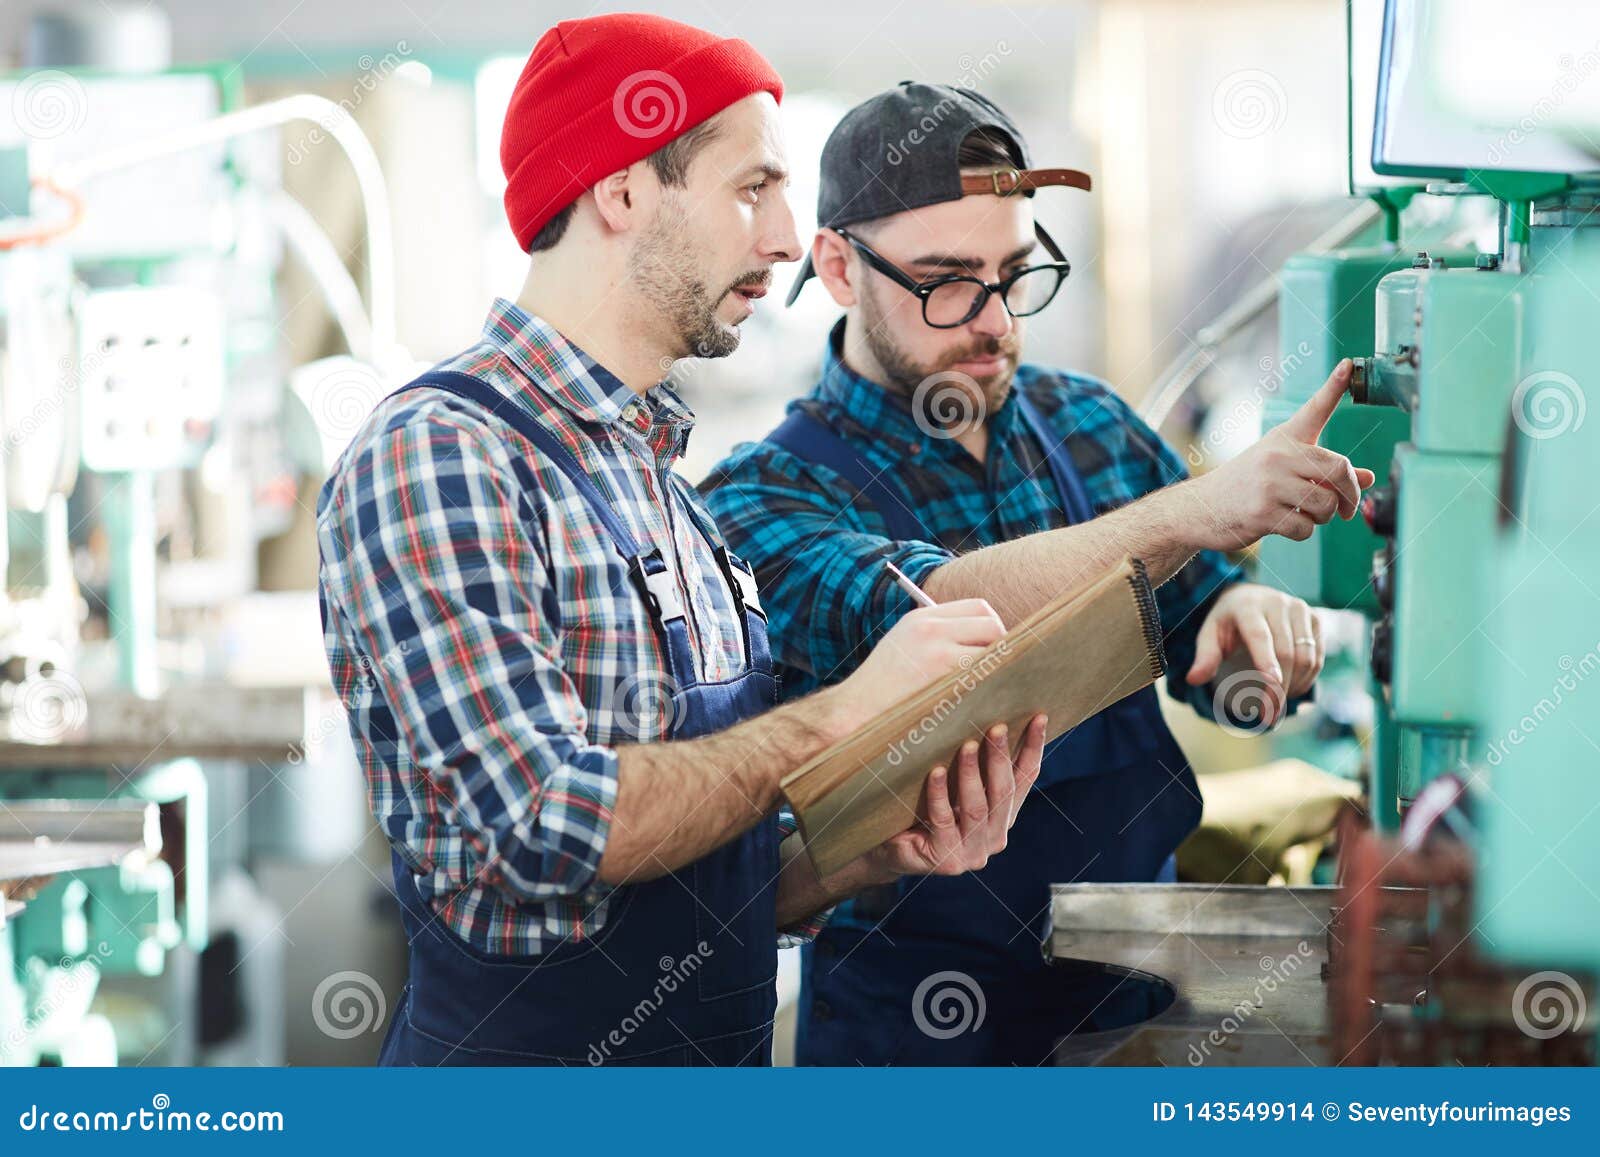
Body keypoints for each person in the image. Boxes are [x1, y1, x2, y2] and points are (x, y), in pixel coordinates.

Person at [317, 25, 1045, 1068]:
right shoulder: (440, 454)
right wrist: (851, 709)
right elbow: (546, 824)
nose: (790, 238)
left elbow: (698, 880)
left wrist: (862, 854)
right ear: (621, 191)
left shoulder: (661, 480)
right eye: (754, 188)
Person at [700, 82, 1373, 1065]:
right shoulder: (760, 498)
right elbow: (940, 606)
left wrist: (1241, 613)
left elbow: (1195, 610)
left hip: (1135, 973)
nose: (993, 322)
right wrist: (1196, 506)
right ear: (839, 266)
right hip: (915, 1038)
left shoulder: (1090, 426)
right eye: (946, 280)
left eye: (1014, 275)